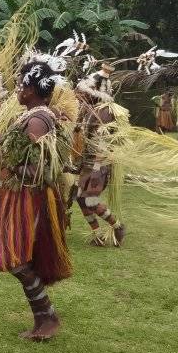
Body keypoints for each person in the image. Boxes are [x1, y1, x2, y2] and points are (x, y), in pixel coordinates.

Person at [0, 57, 73, 341]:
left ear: (31, 89)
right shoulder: (34, 115)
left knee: (16, 259)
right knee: (18, 259)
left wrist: (9, 164)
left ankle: (47, 315)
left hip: (28, 197)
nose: (17, 90)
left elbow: (37, 167)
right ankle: (43, 317)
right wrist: (3, 143)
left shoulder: (37, 119)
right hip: (21, 195)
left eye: (21, 85)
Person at [74, 66, 126, 246]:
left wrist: (96, 167)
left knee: (90, 199)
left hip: (100, 163)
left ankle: (118, 226)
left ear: (95, 92)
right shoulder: (92, 109)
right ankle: (97, 234)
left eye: (85, 92)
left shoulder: (106, 111)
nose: (82, 95)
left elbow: (104, 141)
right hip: (89, 161)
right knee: (80, 198)